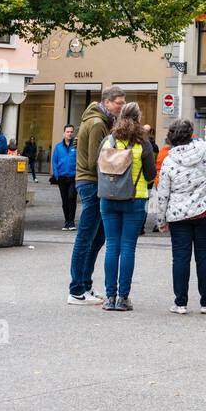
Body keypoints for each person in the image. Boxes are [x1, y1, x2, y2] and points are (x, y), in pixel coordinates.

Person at [155, 119, 206, 315]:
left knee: (180, 258)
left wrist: (161, 220)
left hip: (179, 216)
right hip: (205, 212)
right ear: (191, 133)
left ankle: (180, 302)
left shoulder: (169, 161)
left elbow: (163, 194)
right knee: (204, 258)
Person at [68, 86, 126, 305]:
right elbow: (96, 160)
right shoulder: (97, 123)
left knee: (97, 237)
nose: (121, 107)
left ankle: (85, 285)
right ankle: (76, 290)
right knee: (86, 236)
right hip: (92, 183)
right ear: (108, 101)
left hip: (91, 182)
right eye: (119, 102)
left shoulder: (98, 120)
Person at [97, 102, 156, 312]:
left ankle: (109, 296)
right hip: (135, 198)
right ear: (139, 118)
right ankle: (123, 298)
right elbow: (150, 175)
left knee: (112, 246)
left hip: (109, 197)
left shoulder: (108, 140)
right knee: (128, 247)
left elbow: (100, 167)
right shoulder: (143, 143)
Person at [52, 125, 78, 230]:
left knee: (72, 198)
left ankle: (71, 222)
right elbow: (54, 161)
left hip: (73, 177)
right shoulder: (58, 147)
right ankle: (67, 221)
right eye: (68, 132)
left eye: (71, 132)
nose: (70, 133)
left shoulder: (76, 146)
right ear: (64, 133)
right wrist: (57, 175)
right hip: (62, 178)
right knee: (65, 201)